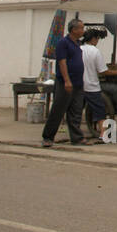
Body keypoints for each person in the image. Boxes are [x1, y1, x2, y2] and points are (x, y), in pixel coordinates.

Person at [42, 18, 91, 147]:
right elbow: (62, 62)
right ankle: (48, 137)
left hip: (78, 83)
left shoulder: (77, 44)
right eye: (81, 28)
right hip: (66, 83)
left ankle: (77, 137)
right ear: (74, 30)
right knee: (58, 110)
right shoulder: (63, 43)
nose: (83, 30)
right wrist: (67, 81)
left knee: (76, 111)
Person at [80, 28, 109, 141]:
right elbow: (103, 70)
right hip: (92, 86)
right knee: (100, 110)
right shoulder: (95, 51)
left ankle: (77, 134)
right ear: (93, 38)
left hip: (79, 85)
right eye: (97, 39)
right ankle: (103, 134)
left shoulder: (79, 49)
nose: (97, 41)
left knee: (77, 110)